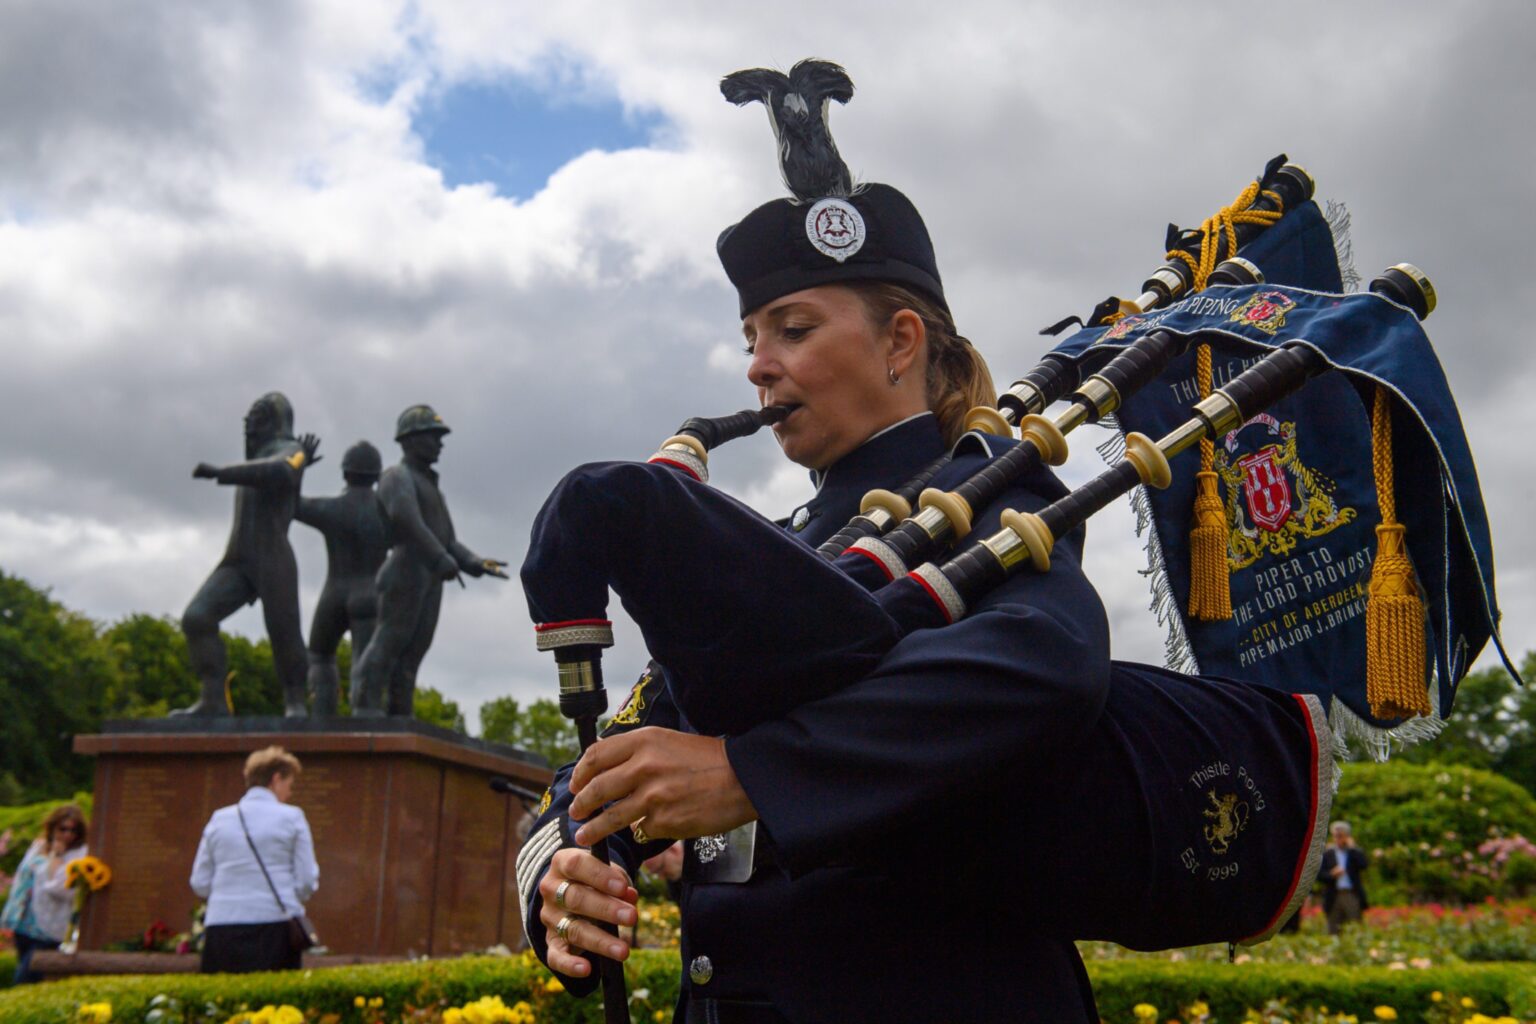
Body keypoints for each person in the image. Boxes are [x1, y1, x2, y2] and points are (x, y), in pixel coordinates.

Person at [515, 60, 1110, 1022]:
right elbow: (632, 732)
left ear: (900, 343)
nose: (758, 366)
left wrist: (747, 774)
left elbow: (1045, 661)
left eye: (791, 329)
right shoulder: (787, 544)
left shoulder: (990, 491)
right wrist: (567, 869)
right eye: (751, 335)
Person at [348, 405, 507, 716]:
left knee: (414, 651)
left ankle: (400, 713)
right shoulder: (396, 476)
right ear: (410, 439)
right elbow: (405, 518)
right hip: (405, 570)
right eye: (433, 437)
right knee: (389, 642)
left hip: (429, 576)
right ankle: (365, 709)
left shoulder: (430, 484)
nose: (440, 444)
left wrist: (473, 561)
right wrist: (439, 558)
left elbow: (446, 537)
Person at [176, 392, 319, 717]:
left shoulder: (291, 451)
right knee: (197, 618)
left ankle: (295, 700)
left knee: (283, 631)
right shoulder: (255, 459)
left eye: (256, 417)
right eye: (248, 419)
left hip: (273, 557)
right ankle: (213, 697)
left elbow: (284, 471)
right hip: (238, 560)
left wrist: (221, 472)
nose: (249, 426)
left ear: (273, 421)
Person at [190, 746, 319, 973]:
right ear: (276, 779)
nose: (289, 793)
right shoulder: (292, 817)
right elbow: (307, 878)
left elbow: (200, 882)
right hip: (274, 924)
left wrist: (226, 896)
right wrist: (291, 896)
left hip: (221, 924)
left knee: (221, 1002)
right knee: (273, 1001)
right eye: (289, 785)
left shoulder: (219, 819)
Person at [295, 440, 390, 716]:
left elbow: (292, 505)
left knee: (320, 657)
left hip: (333, 594)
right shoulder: (388, 513)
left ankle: (322, 719)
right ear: (377, 476)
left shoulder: (332, 508)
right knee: (364, 663)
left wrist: (300, 465)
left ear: (345, 473)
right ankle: (366, 715)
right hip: (370, 596)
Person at [1, 805, 88, 983]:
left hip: (47, 930)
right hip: (23, 923)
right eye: (63, 829)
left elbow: (57, 888)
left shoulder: (77, 854)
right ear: (53, 827)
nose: (68, 835)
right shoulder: (39, 845)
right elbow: (22, 876)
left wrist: (57, 856)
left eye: (73, 830)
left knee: (24, 979)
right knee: (27, 976)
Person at [1319, 820, 1368, 935]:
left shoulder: (1353, 852)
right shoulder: (1327, 853)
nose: (1338, 839)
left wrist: (1352, 848)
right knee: (1334, 928)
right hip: (1333, 894)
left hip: (1351, 893)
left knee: (1355, 926)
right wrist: (1332, 874)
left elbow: (1363, 865)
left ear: (1347, 836)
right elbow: (1319, 875)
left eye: (1341, 836)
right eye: (1335, 836)